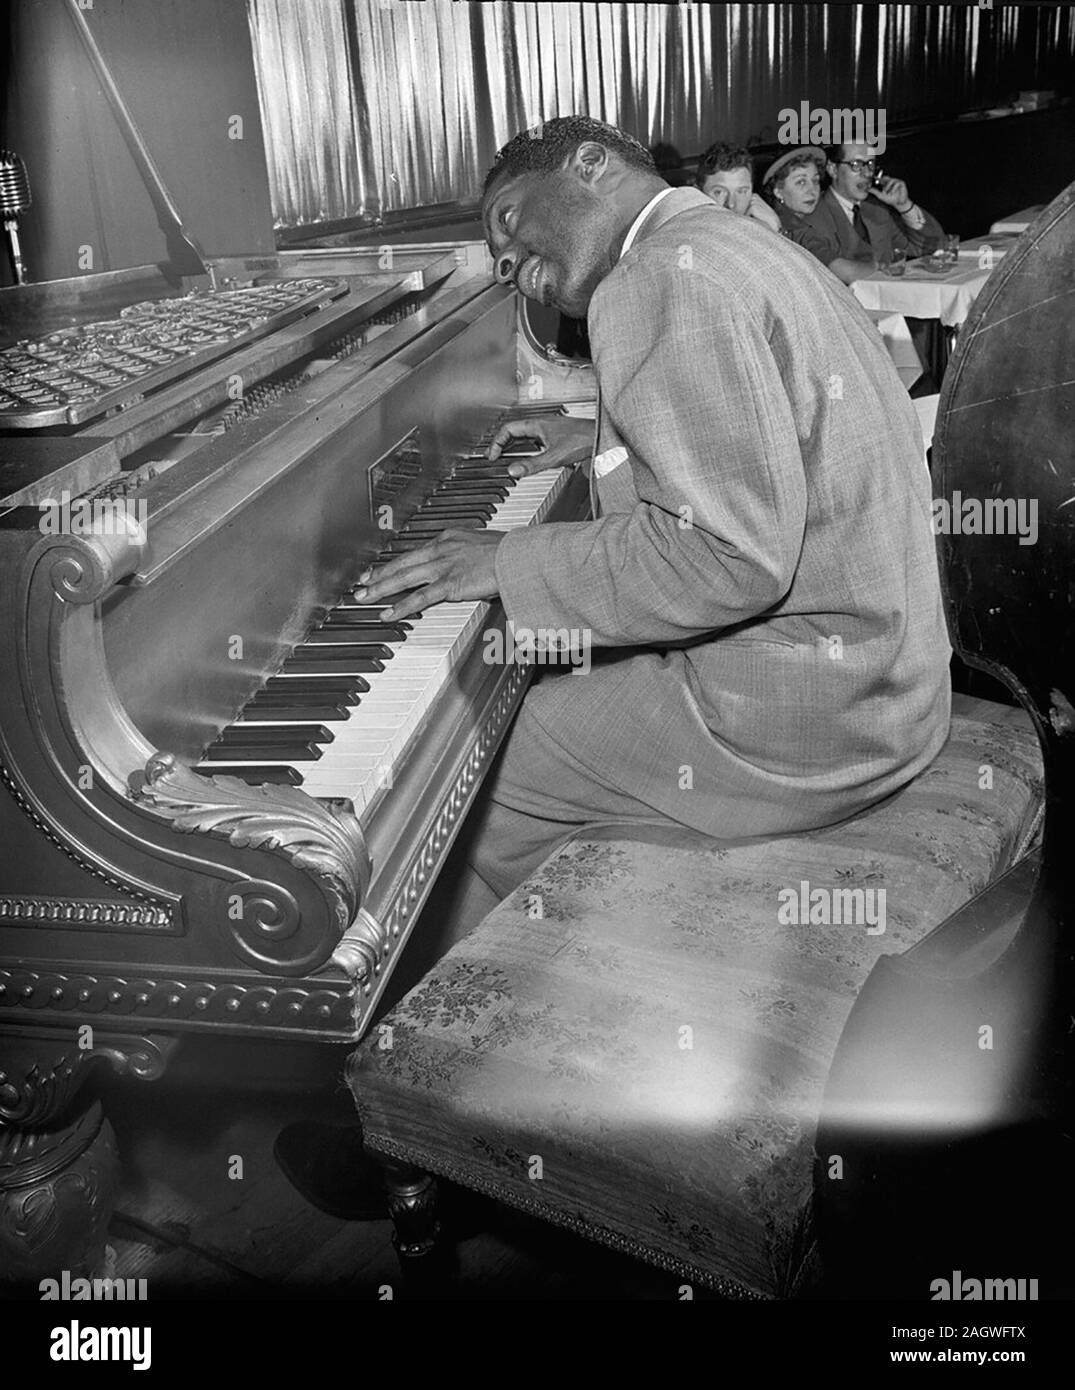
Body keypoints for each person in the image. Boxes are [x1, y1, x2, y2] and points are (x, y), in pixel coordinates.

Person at [356, 115, 952, 930]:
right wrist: (607, 435)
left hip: (803, 724)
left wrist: (507, 562)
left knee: (463, 777)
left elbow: (727, 560)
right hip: (893, 689)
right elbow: (765, 435)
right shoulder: (726, 245)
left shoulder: (652, 277)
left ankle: (572, 984)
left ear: (591, 164)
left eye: (508, 221)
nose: (503, 260)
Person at [791, 141, 944, 284]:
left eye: (870, 164)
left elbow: (932, 247)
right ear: (833, 169)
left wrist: (904, 206)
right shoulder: (813, 217)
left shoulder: (876, 210)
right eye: (856, 165)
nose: (867, 174)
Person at [694, 140, 782, 233]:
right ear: (697, 193)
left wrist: (776, 230)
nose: (731, 204)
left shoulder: (761, 229)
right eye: (718, 192)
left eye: (741, 191)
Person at [761, 145, 826, 235]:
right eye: (801, 182)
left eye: (815, 181)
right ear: (778, 192)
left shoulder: (823, 216)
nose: (812, 190)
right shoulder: (776, 229)